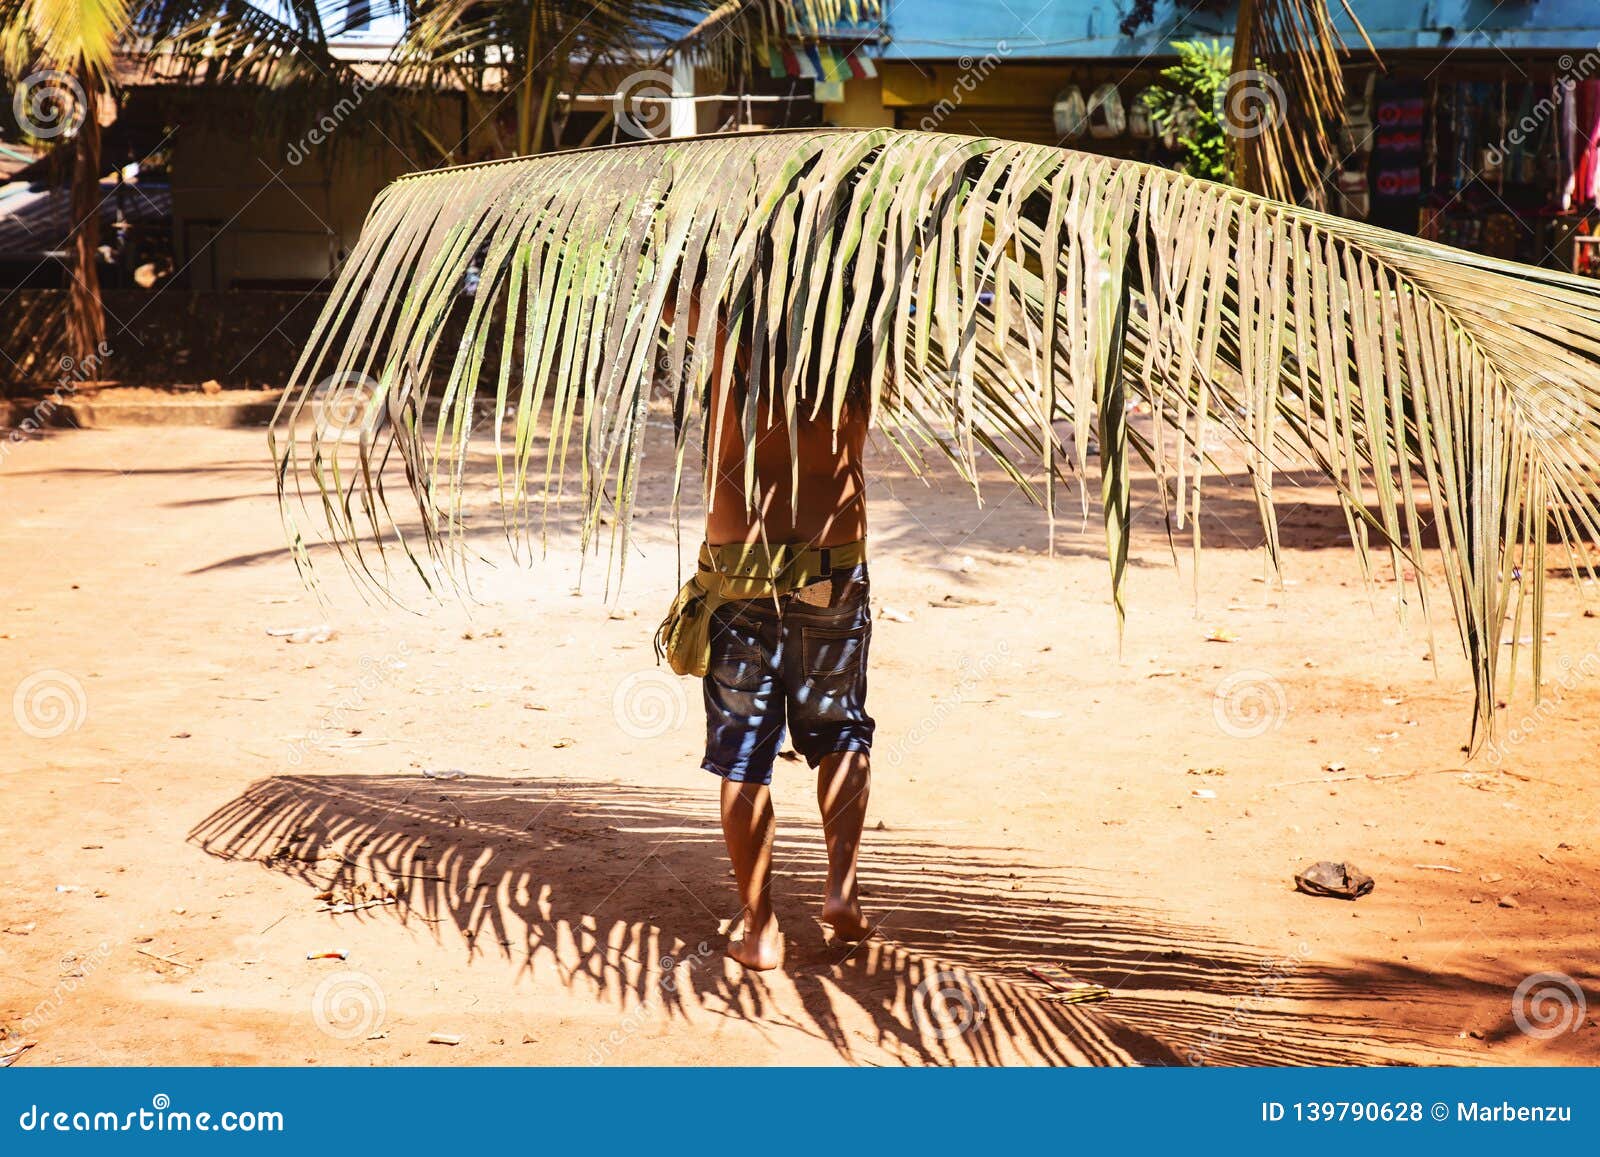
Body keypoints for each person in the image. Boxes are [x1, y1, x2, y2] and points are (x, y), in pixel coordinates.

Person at [657, 295, 876, 972]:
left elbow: (668, 299)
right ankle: (840, 889)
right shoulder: (858, 326)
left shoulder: (729, 326)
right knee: (840, 730)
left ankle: (763, 930)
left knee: (744, 756)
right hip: (832, 565)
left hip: (740, 569)